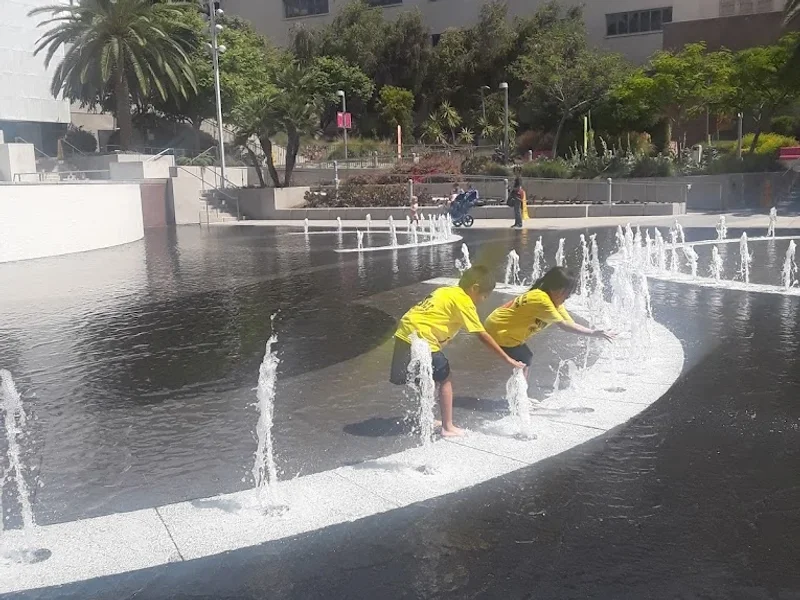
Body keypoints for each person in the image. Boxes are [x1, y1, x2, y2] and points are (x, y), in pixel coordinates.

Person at [391, 265, 526, 436]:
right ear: (474, 288)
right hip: (423, 339)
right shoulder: (464, 301)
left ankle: (427, 417)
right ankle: (448, 427)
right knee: (445, 378)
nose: (483, 300)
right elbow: (481, 334)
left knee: (426, 378)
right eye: (484, 296)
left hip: (405, 333)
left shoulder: (445, 291)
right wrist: (508, 359)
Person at [484, 266, 614, 379]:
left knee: (525, 358)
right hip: (499, 330)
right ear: (555, 289)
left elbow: (570, 323)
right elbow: (565, 326)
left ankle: (520, 395)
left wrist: (596, 332)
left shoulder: (552, 301)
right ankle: (520, 398)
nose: (568, 296)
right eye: (567, 293)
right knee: (524, 359)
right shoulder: (542, 300)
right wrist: (593, 333)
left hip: (498, 326)